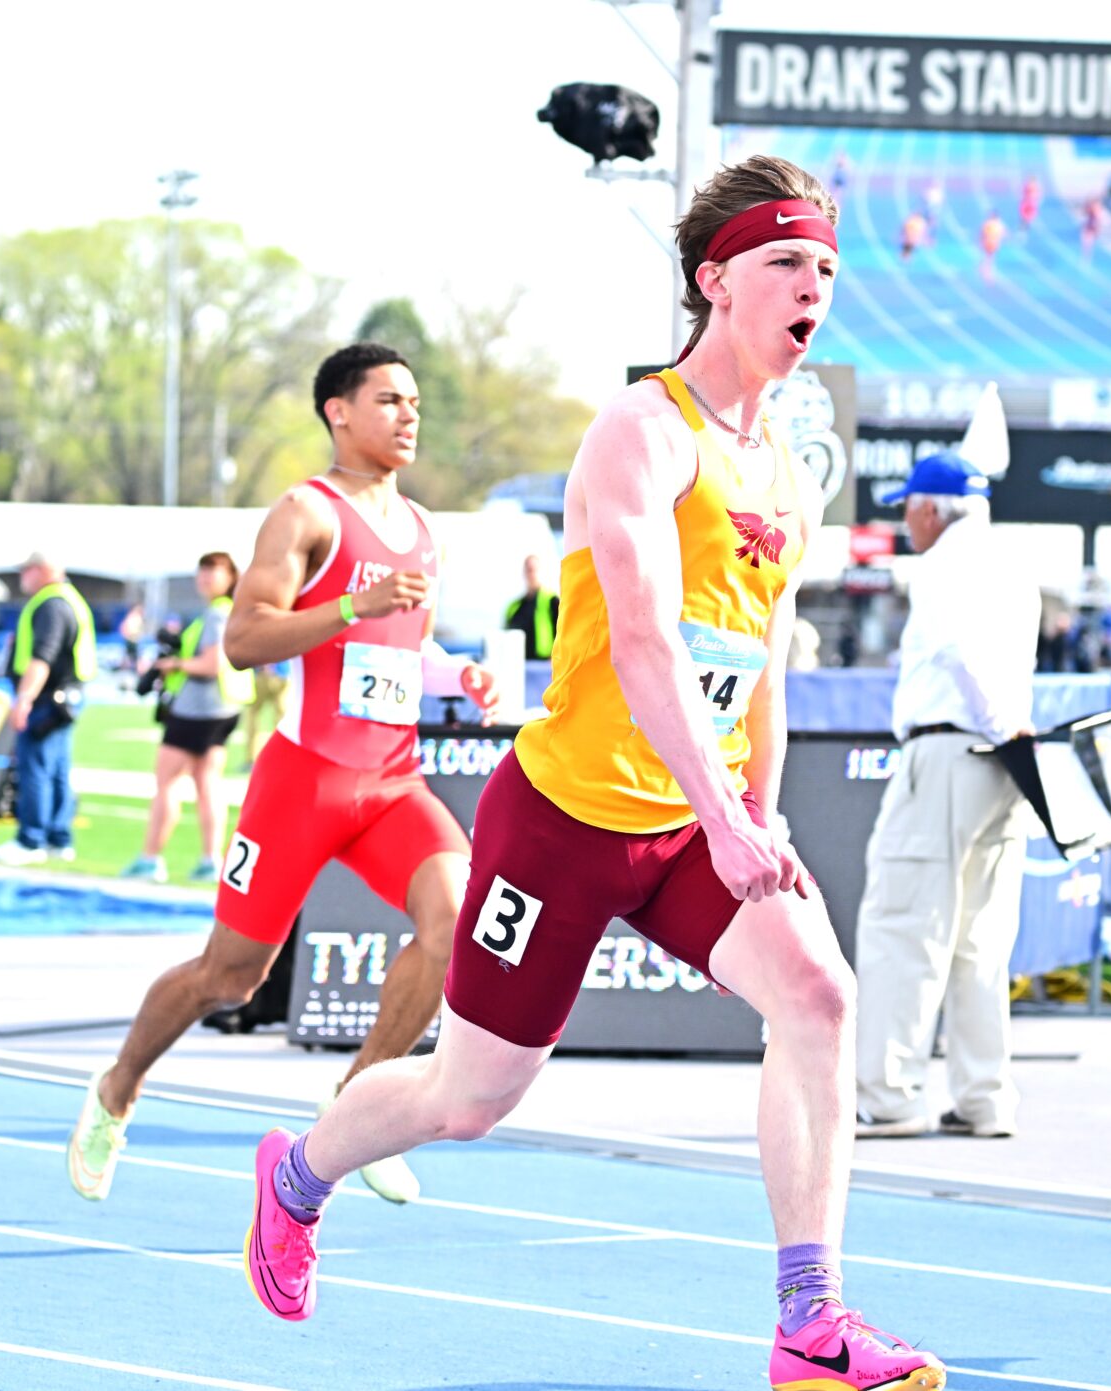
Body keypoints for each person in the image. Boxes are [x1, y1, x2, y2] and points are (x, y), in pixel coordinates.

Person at [239, 164, 946, 1391]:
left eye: (826, 270)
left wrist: (753, 814)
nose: (812, 289)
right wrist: (726, 812)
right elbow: (642, 640)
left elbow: (763, 661)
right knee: (470, 1097)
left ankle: (809, 1325)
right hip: (562, 820)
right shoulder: (641, 431)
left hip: (692, 822)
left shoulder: (785, 463)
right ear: (714, 281)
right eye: (787, 264)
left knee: (819, 997)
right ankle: (297, 1175)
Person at [69, 342, 499, 1209]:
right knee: (230, 977)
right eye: (389, 400)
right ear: (339, 411)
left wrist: (460, 675)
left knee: (458, 920)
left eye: (415, 401)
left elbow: (405, 648)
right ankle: (117, 1087)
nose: (409, 414)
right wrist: (347, 604)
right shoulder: (306, 513)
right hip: (303, 781)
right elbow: (244, 638)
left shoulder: (423, 529)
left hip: (392, 781)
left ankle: (358, 1102)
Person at [853, 452, 1039, 1144]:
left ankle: (889, 1095)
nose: (904, 519)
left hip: (951, 748)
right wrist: (1006, 733)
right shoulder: (1013, 562)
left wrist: (991, 722)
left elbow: (960, 653)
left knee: (905, 927)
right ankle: (984, 1096)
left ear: (932, 508)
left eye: (908, 506)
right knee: (980, 940)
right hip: (1004, 761)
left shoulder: (942, 565)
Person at [123, 552, 253, 884]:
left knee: (167, 781)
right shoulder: (226, 612)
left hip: (199, 709)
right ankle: (210, 858)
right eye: (202, 572)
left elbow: (211, 665)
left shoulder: (216, 616)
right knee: (208, 783)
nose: (205, 578)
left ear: (230, 576)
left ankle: (150, 858)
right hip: (221, 708)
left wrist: (173, 665)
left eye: (214, 572)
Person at [0, 550, 92, 866]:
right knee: (58, 769)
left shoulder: (51, 604)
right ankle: (58, 837)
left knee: (35, 768)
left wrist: (24, 699)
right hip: (66, 696)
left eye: (27, 570)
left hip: (48, 697)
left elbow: (42, 657)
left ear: (42, 570)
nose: (23, 576)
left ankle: (31, 838)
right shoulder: (67, 598)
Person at [503, 552, 559, 662]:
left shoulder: (552, 600)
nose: (531, 574)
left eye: (534, 570)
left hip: (545, 664)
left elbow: (563, 633)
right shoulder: (513, 607)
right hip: (520, 663)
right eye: (528, 570)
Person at [978, 210, 1005, 285]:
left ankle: (984, 270)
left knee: (987, 257)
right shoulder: (999, 225)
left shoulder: (988, 223)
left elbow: (982, 233)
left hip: (988, 242)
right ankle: (987, 273)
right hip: (993, 243)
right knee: (990, 258)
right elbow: (1003, 234)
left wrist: (980, 241)